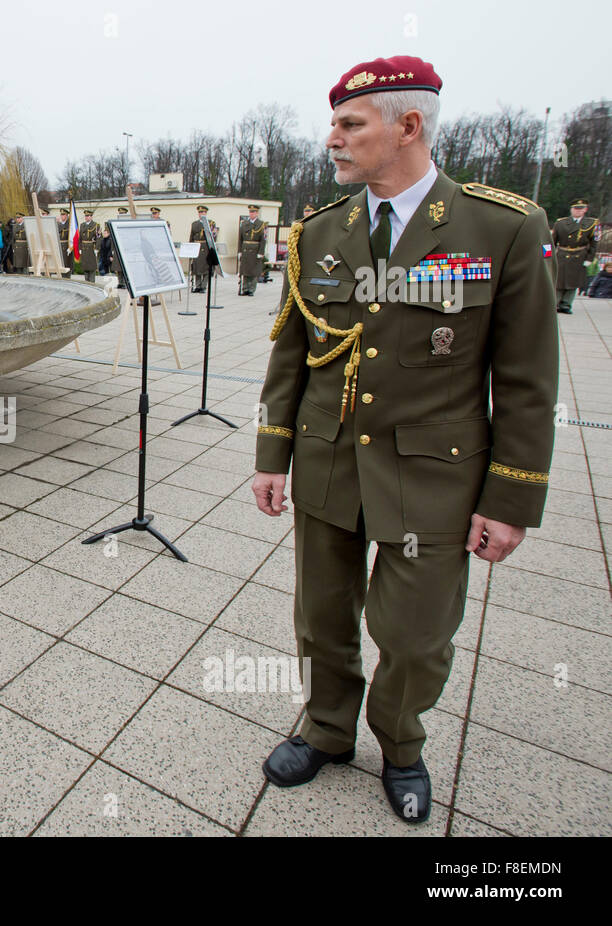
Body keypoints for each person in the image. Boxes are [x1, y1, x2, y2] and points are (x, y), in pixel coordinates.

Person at [253, 55, 559, 825]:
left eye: (351, 124)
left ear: (408, 126)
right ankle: (326, 730)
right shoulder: (321, 232)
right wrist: (271, 455)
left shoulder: (503, 227)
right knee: (322, 615)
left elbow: (525, 379)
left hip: (434, 477)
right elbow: (292, 353)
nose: (334, 139)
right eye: (334, 125)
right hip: (328, 461)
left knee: (417, 634)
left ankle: (400, 745)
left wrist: (512, 498)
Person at [551, 198, 597, 314]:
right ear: (571, 209)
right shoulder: (560, 223)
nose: (577, 211)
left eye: (580, 209)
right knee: (559, 281)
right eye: (575, 209)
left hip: (579, 255)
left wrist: (589, 258)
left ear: (585, 210)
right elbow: (552, 241)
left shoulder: (592, 224)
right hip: (562, 254)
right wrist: (549, 257)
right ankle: (555, 302)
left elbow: (594, 243)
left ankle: (566, 304)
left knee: (573, 282)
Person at [237, 204, 267, 294]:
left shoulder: (262, 224)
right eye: (250, 212)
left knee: (254, 271)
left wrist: (261, 252)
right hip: (245, 249)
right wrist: (239, 251)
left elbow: (263, 239)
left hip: (255, 250)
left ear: (257, 213)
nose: (251, 213)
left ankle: (251, 289)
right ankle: (245, 288)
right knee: (245, 270)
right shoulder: (244, 223)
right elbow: (240, 238)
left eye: (253, 212)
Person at [188, 205, 212, 293]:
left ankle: (203, 286)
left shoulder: (210, 223)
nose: (202, 214)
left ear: (206, 213)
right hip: (196, 246)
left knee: (206, 268)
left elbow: (213, 237)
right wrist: (190, 248)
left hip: (206, 247)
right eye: (200, 212)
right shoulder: (194, 224)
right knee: (196, 268)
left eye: (204, 212)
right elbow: (191, 237)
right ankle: (197, 286)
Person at [79, 209, 100, 283]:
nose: (87, 217)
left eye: (88, 216)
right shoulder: (82, 225)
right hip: (84, 247)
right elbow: (80, 238)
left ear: (91, 217)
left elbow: (98, 238)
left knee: (91, 267)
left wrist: (96, 248)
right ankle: (86, 282)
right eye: (86, 216)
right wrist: (79, 248)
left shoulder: (96, 225)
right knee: (85, 267)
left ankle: (92, 282)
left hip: (91, 247)